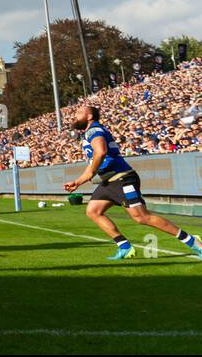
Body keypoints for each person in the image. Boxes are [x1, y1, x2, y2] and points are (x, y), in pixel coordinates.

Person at [64, 104, 202, 261]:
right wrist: (79, 180)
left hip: (122, 178)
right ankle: (125, 247)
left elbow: (100, 152)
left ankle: (194, 242)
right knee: (93, 211)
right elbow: (95, 159)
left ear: (89, 117)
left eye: (79, 112)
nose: (75, 116)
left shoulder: (93, 130)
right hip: (109, 181)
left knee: (141, 217)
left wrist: (88, 174)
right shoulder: (90, 132)